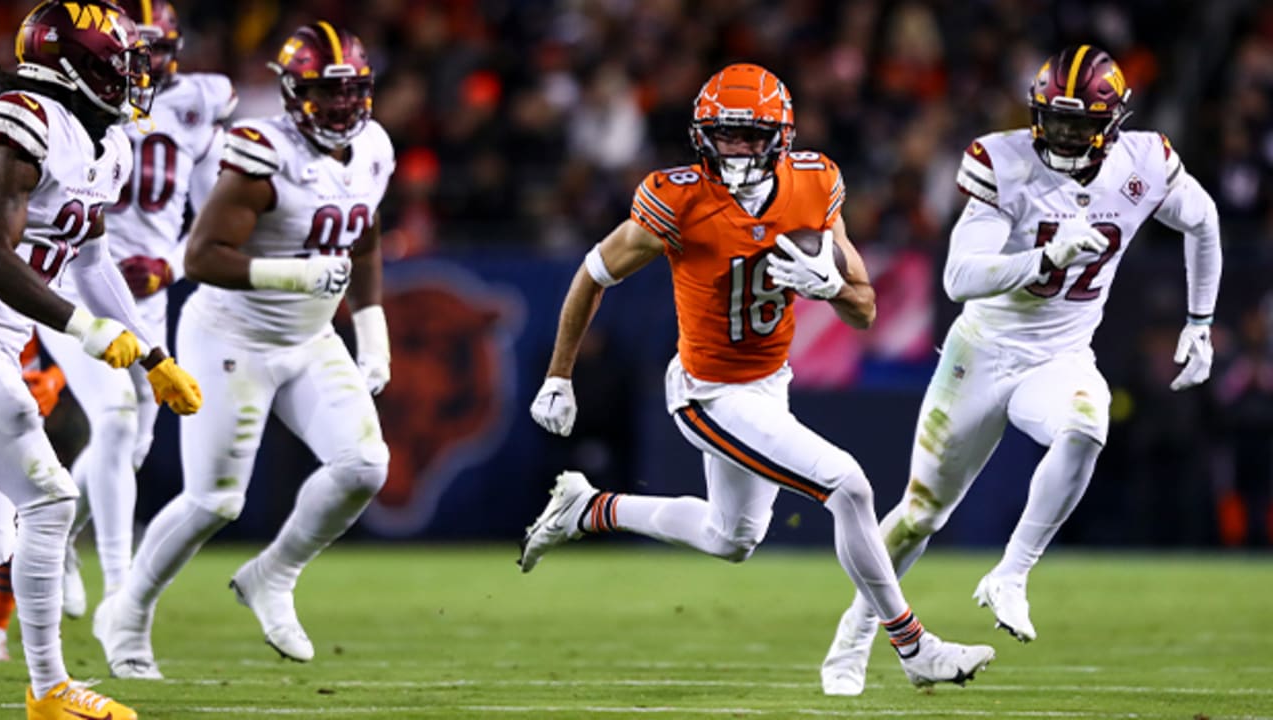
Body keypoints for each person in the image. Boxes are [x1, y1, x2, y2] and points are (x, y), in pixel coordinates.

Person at [522, 63, 995, 692]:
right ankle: (914, 648)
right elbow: (592, 273)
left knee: (733, 537)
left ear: (782, 136)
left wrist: (829, 286)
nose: (736, 148)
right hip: (707, 393)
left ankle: (589, 509)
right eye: (725, 135)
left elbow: (864, 308)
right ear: (702, 137)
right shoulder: (678, 198)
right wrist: (560, 375)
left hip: (770, 382)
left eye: (751, 135)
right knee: (849, 487)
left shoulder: (814, 183)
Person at [821, 45, 1222, 695]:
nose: (1066, 137)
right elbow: (957, 279)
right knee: (921, 513)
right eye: (1055, 122)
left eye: (1081, 124)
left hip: (1060, 357)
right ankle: (855, 635)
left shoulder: (1145, 161)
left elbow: (1202, 224)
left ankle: (1011, 572)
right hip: (981, 353)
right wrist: (1042, 259)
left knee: (1087, 427)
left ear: (1114, 122)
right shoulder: (1000, 160)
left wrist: (1199, 321)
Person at [95, 21, 394, 680]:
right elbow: (201, 257)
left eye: (351, 93)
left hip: (310, 336)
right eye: (325, 93)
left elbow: (365, 239)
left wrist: (372, 334)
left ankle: (273, 575)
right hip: (231, 335)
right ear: (292, 93)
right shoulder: (263, 153)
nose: (342, 108)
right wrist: (292, 274)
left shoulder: (374, 147)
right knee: (215, 501)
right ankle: (128, 611)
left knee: (365, 465)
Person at [0, 1, 203, 716]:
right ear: (71, 66)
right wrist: (88, 333)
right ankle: (49, 692)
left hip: (0, 343)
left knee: (37, 506)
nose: (133, 77)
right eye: (118, 64)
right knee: (45, 500)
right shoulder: (23, 121)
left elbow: (90, 261)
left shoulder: (105, 144)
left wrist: (150, 353)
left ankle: (49, 690)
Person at [31, 0, 235, 622]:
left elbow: (210, 217)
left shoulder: (187, 109)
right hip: (60, 286)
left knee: (132, 441)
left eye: (149, 54)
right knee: (116, 421)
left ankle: (58, 537)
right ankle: (118, 588)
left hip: (140, 296)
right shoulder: (67, 120)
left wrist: (169, 266)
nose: (140, 73)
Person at [0, 334, 71, 664]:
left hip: (16, 412)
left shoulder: (43, 288)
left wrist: (55, 379)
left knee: (6, 537)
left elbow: (72, 338)